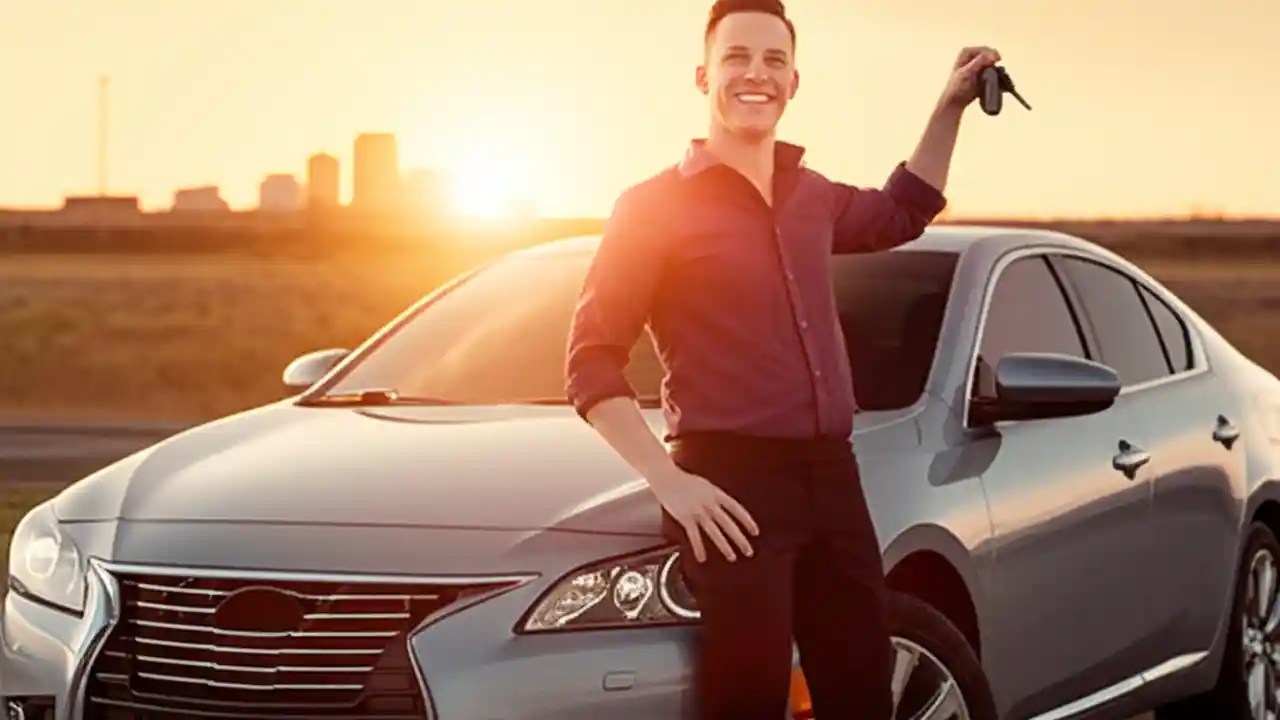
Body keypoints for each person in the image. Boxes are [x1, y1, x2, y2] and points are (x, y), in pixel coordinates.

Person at [564, 1, 998, 717]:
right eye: (737, 57)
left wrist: (949, 105)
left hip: (833, 477)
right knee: (749, 701)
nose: (755, 74)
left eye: (773, 60)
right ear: (704, 76)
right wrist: (670, 482)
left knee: (862, 693)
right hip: (731, 488)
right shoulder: (651, 209)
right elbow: (591, 361)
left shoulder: (811, 195)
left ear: (795, 82)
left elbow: (903, 210)